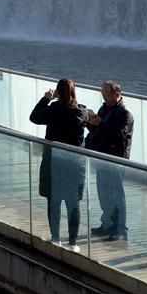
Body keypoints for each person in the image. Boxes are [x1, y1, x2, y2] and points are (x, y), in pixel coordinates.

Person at [30, 78, 90, 253]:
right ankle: (73, 242)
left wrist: (47, 98)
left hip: (53, 162)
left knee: (53, 200)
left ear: (58, 92)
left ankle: (55, 238)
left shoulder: (53, 110)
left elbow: (34, 117)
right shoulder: (82, 112)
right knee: (73, 202)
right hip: (75, 163)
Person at [85, 80, 133, 242]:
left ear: (117, 94)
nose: (104, 98)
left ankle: (120, 229)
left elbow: (120, 136)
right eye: (102, 95)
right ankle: (107, 224)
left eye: (106, 95)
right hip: (102, 157)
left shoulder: (125, 114)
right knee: (104, 193)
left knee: (117, 195)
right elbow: (100, 131)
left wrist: (101, 124)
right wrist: (91, 124)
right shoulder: (104, 108)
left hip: (116, 159)